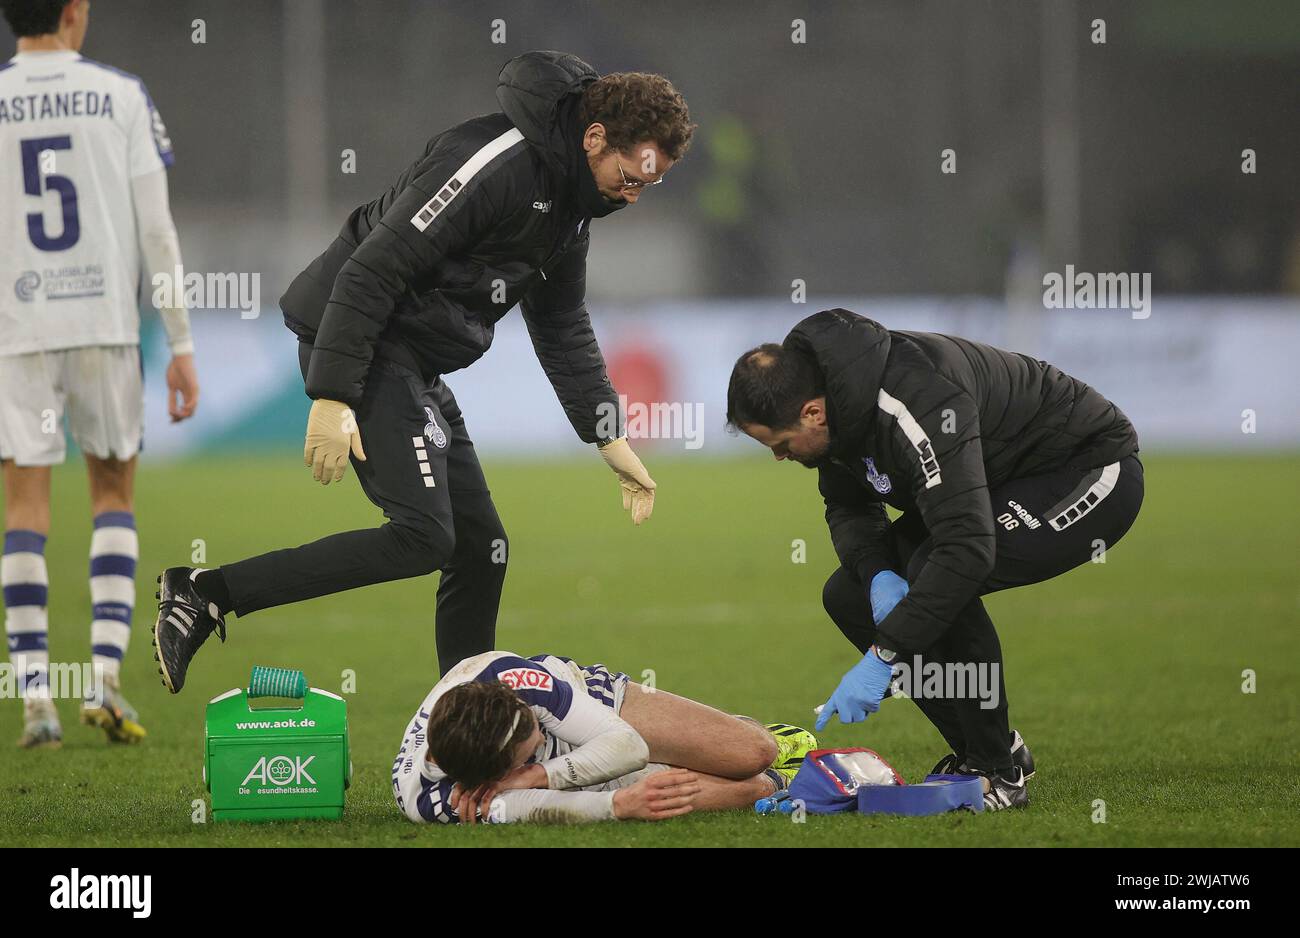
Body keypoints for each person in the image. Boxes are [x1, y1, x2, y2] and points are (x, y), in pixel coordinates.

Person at [151, 51, 695, 693]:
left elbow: (560, 321)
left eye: (648, 185)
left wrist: (609, 433)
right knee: (424, 535)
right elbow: (375, 267)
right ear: (596, 138)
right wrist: (332, 394)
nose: (634, 194)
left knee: (480, 546)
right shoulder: (496, 163)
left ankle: (464, 727)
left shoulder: (575, 200)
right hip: (364, 340)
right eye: (633, 176)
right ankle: (203, 592)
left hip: (413, 361)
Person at [726, 308, 1143, 810]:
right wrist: (878, 575)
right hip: (995, 481)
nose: (779, 457)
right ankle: (984, 748)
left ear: (812, 413)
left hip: (1087, 469)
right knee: (848, 595)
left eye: (780, 444)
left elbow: (966, 551)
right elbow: (849, 504)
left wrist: (883, 657)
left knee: (942, 571)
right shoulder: (834, 402)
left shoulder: (913, 401)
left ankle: (999, 774)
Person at [0, 0, 198, 747]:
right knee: (112, 493)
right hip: (104, 326)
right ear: (74, 11)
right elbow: (156, 230)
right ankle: (108, 682)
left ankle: (36, 704)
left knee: (25, 509)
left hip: (17, 331)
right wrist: (180, 340)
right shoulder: (120, 94)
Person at [392, 650, 816, 824]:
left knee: (752, 752)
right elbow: (534, 808)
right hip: (536, 770)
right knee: (752, 786)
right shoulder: (430, 801)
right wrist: (616, 805)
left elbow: (626, 745)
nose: (540, 733)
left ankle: (756, 733)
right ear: (496, 770)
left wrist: (534, 774)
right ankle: (777, 783)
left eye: (533, 723)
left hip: (590, 704)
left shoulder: (510, 681)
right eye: (533, 741)